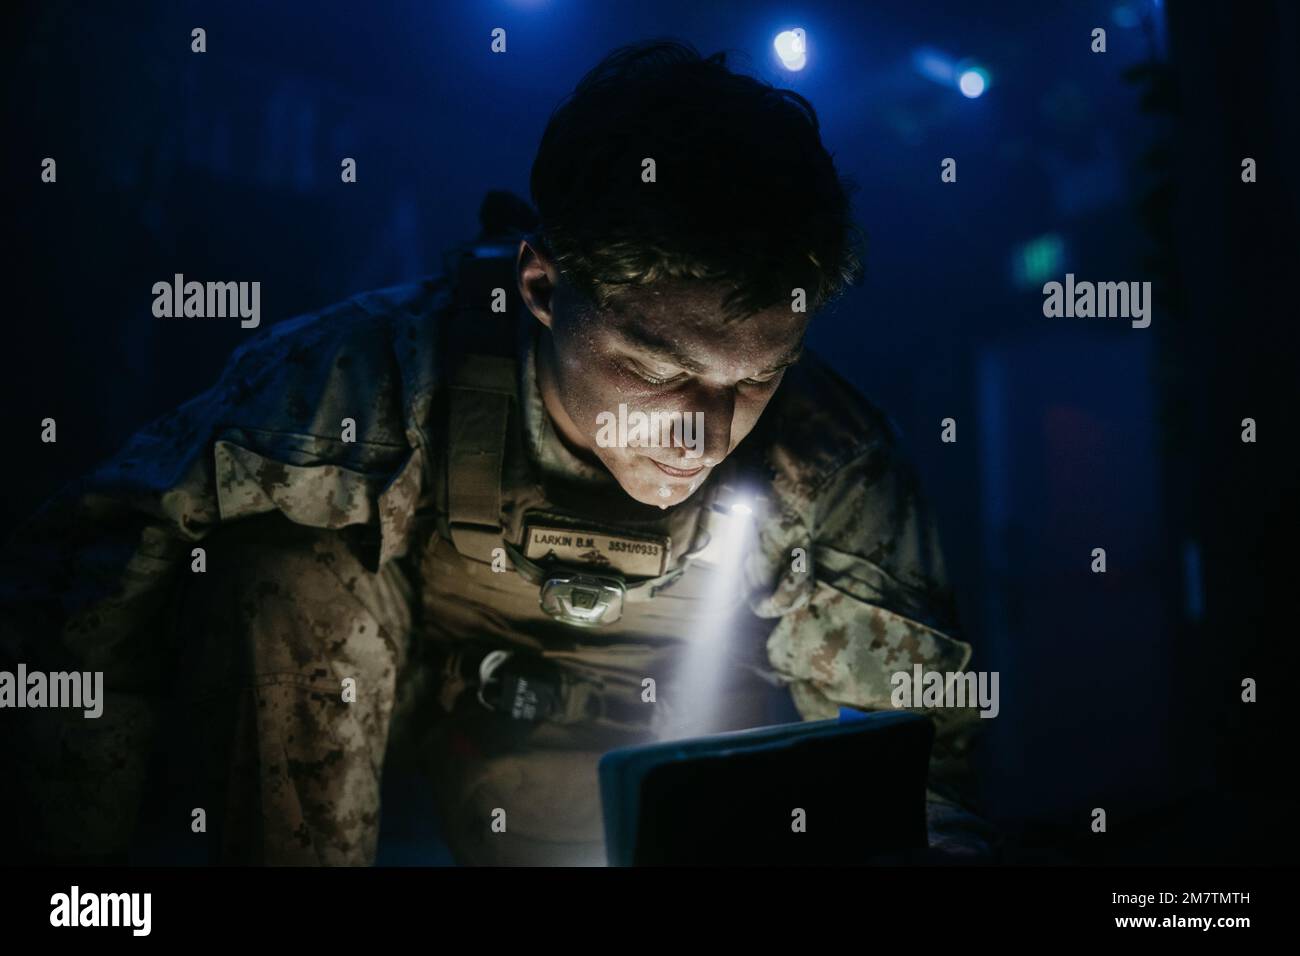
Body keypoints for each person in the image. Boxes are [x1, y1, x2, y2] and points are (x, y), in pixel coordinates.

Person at [0, 40, 999, 866]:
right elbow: (83, 595)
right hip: (396, 778)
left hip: (687, 796)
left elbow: (917, 770)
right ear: (540, 287)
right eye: (655, 368)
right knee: (279, 566)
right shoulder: (366, 383)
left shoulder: (830, 461)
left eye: (754, 378)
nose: (706, 429)